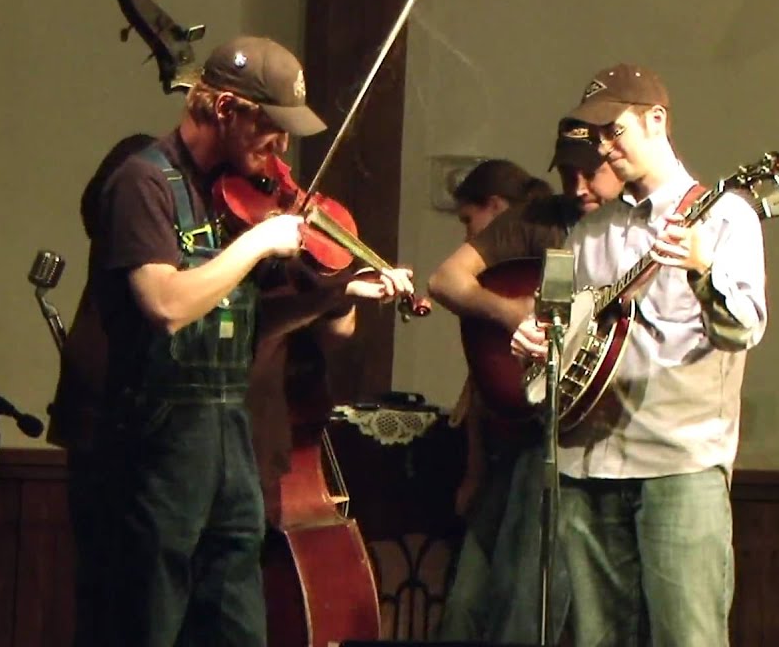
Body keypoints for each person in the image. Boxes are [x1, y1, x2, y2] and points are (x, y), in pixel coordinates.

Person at [65, 35, 412, 647]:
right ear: (225, 109)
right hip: (156, 437)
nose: (282, 147)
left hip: (231, 431)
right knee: (147, 620)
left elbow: (253, 328)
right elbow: (167, 305)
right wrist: (256, 243)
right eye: (270, 127)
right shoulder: (143, 183)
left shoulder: (239, 196)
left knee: (236, 624)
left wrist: (330, 296)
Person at [512, 64, 768, 646]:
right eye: (597, 136)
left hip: (679, 464)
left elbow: (745, 328)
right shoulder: (590, 232)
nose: (605, 146)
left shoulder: (728, 217)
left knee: (688, 637)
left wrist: (702, 269)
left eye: (614, 130)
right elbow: (553, 321)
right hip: (585, 463)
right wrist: (534, 338)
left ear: (656, 120)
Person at [428, 127, 623, 644]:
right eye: (567, 173)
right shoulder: (539, 220)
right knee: (472, 600)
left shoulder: (632, 231)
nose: (579, 186)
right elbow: (446, 279)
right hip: (515, 443)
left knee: (531, 599)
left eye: (591, 172)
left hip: (584, 443)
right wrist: (513, 311)